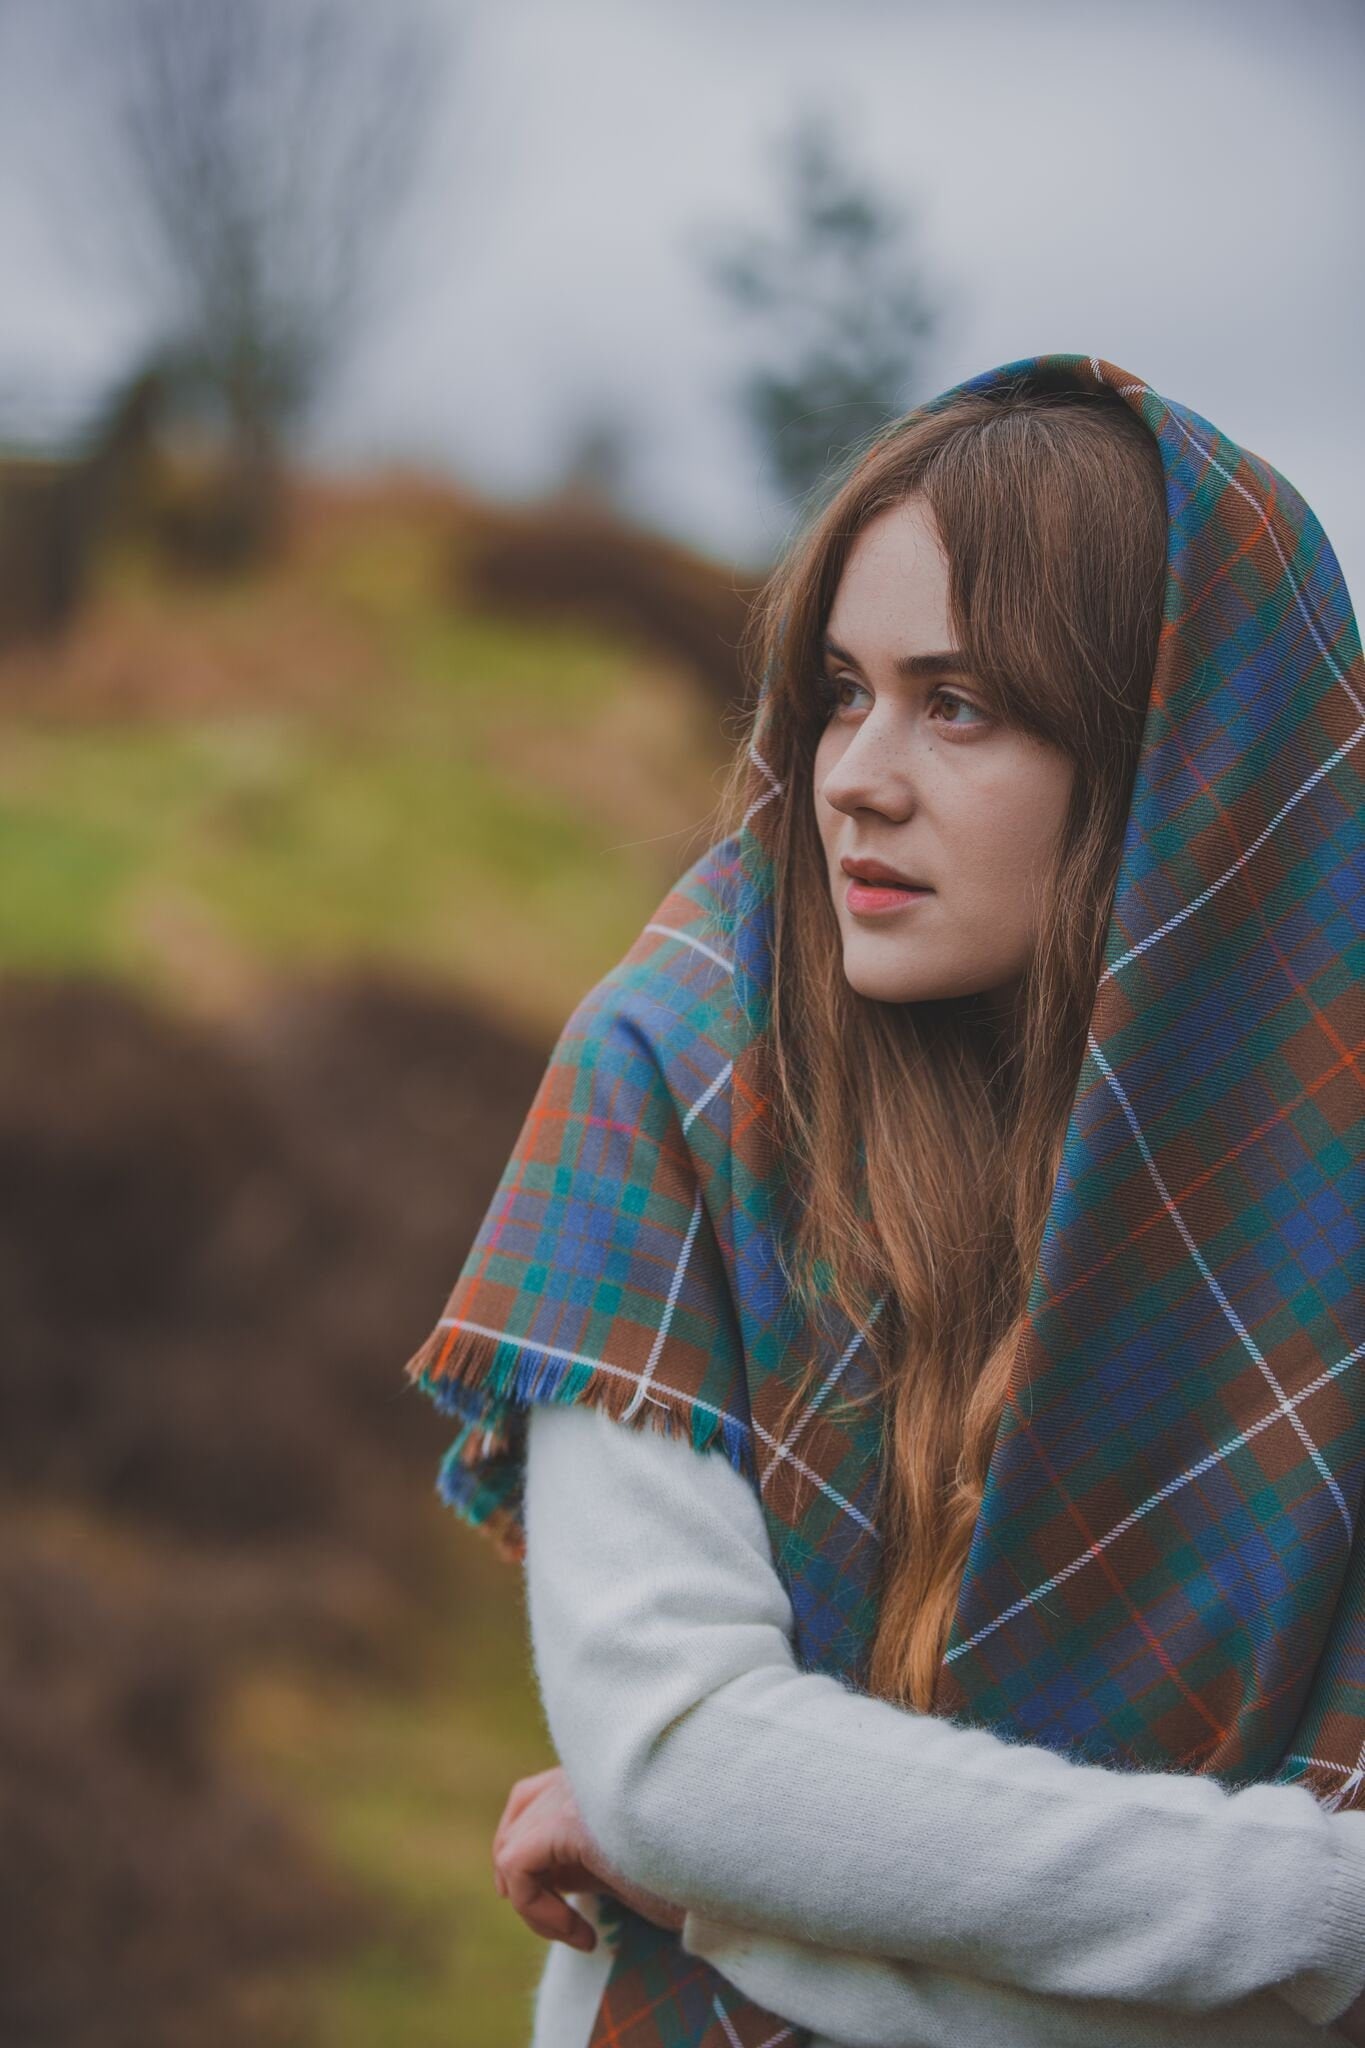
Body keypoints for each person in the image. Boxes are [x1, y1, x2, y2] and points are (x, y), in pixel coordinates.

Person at [404, 354, 1365, 2048]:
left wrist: (733, 1889)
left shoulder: (1320, 1182)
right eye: (842, 691)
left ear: (1173, 768)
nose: (853, 772)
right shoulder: (685, 1067)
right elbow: (680, 1756)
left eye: (961, 705)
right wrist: (1309, 1910)